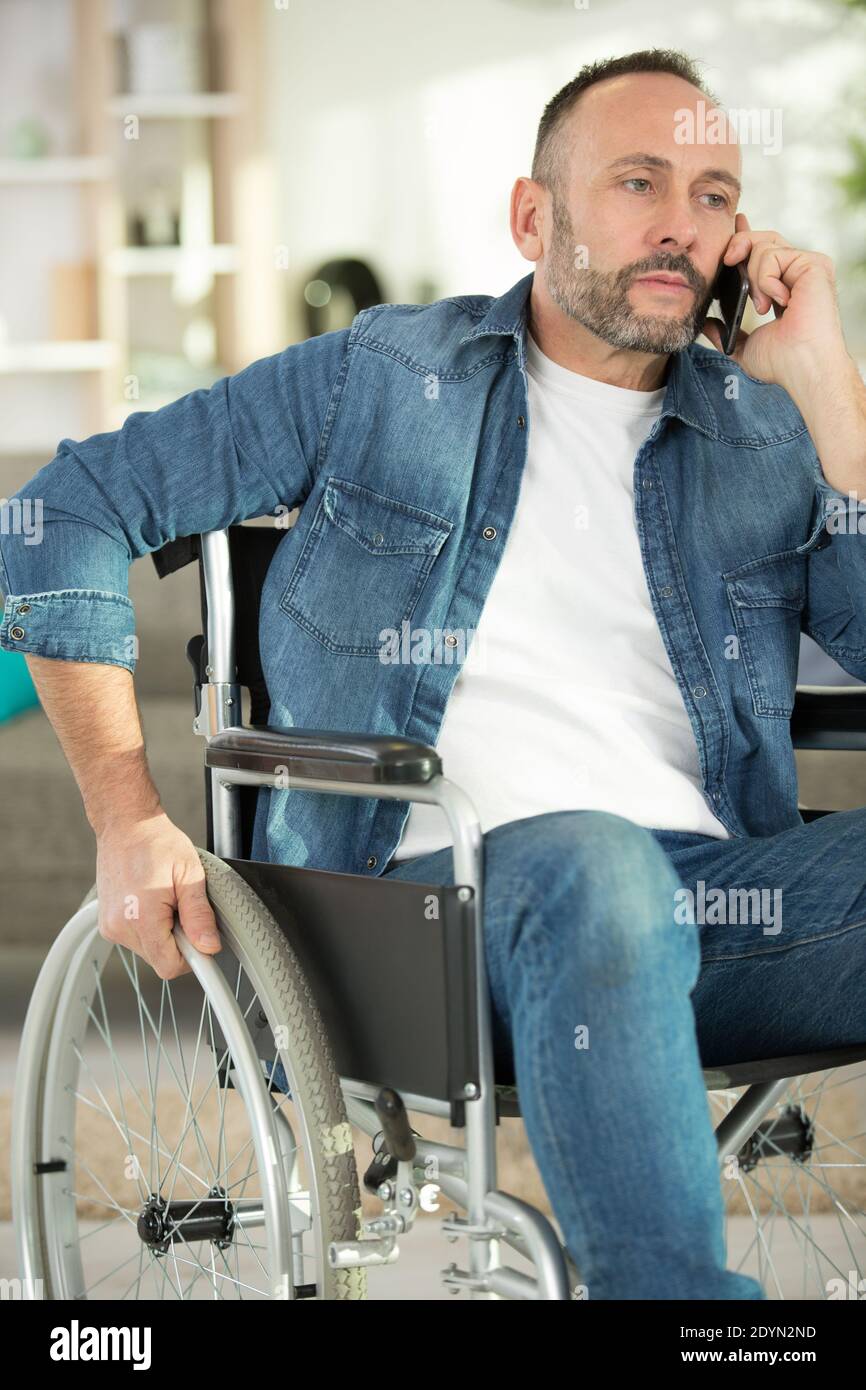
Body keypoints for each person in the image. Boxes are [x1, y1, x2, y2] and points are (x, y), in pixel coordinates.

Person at [2, 48, 866, 1300]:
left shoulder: (765, 432)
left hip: (714, 920)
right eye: (638, 181)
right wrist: (126, 815)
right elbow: (61, 511)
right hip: (419, 919)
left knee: (619, 879)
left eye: (715, 194)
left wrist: (832, 396)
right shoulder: (379, 379)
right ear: (533, 216)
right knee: (593, 863)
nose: (682, 223)